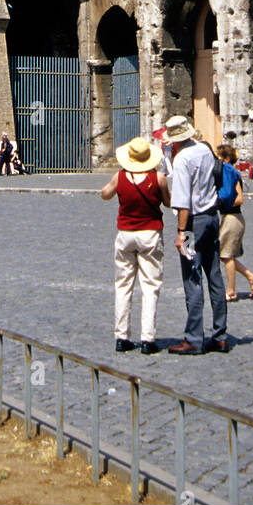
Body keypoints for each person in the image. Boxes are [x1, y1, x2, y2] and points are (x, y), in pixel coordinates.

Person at [101, 135, 170, 355]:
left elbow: (105, 195)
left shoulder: (120, 176)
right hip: (150, 232)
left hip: (125, 233)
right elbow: (168, 202)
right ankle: (148, 339)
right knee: (150, 287)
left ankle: (122, 337)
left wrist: (118, 189)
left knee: (123, 286)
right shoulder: (158, 178)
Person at [165, 115, 228, 355]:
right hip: (212, 218)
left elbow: (182, 203)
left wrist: (182, 233)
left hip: (192, 223)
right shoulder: (204, 149)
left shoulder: (182, 160)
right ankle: (220, 335)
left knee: (192, 277)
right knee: (214, 276)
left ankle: (193, 338)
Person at [216, 144, 253, 301]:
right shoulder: (227, 173)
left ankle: (231, 291)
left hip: (233, 218)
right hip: (229, 218)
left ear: (226, 159)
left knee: (226, 256)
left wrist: (221, 203)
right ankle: (251, 277)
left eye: (219, 158)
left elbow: (239, 198)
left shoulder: (231, 173)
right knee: (226, 256)